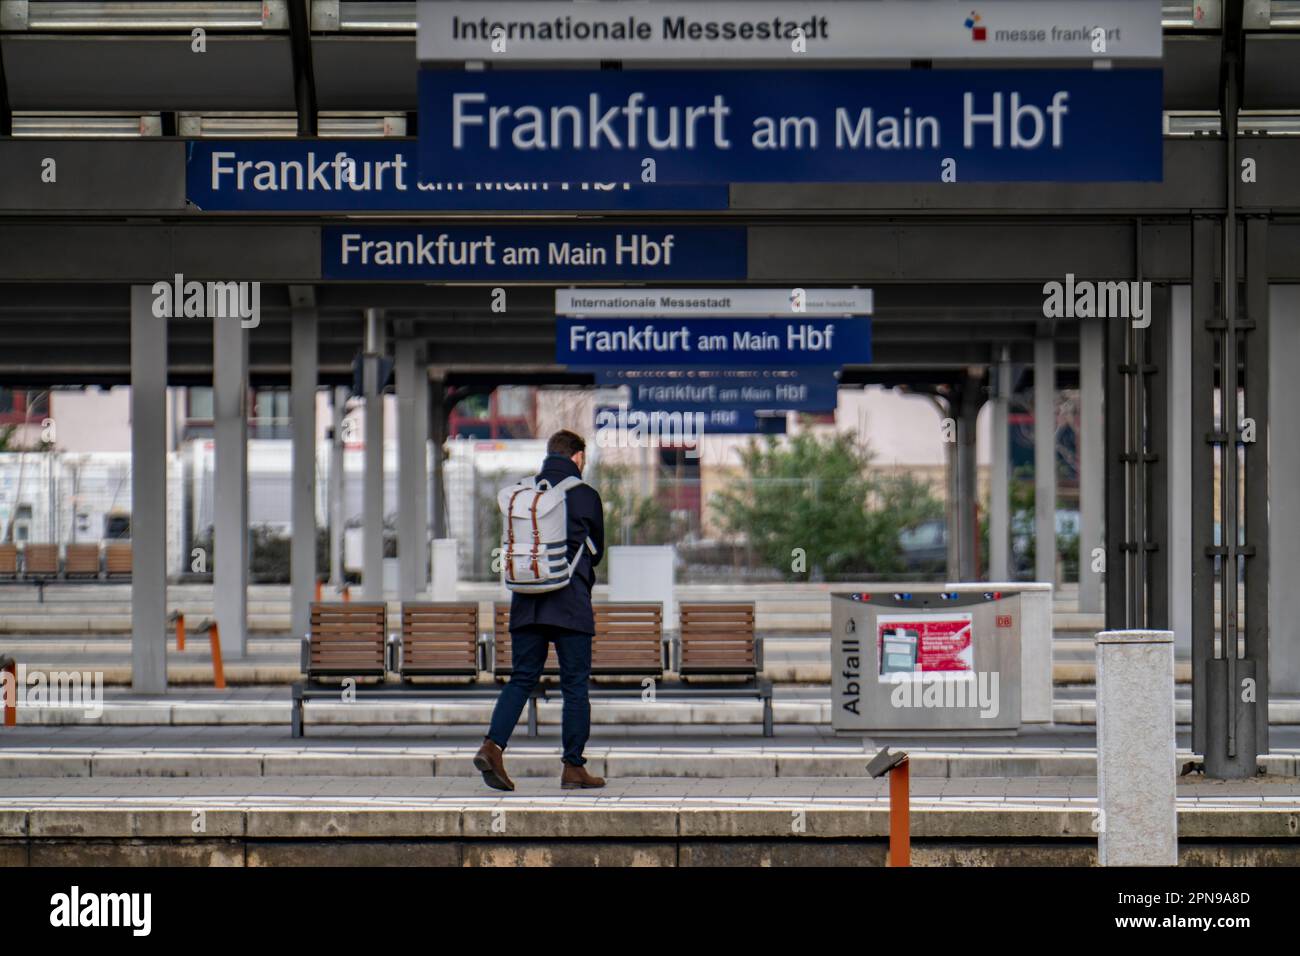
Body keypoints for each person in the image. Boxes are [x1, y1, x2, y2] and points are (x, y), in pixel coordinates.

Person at [474, 429, 606, 791]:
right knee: (575, 685)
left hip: (526, 602)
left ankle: (492, 746)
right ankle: (573, 766)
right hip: (570, 604)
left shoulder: (524, 492)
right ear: (578, 457)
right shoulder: (585, 496)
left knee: (522, 677)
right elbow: (596, 551)